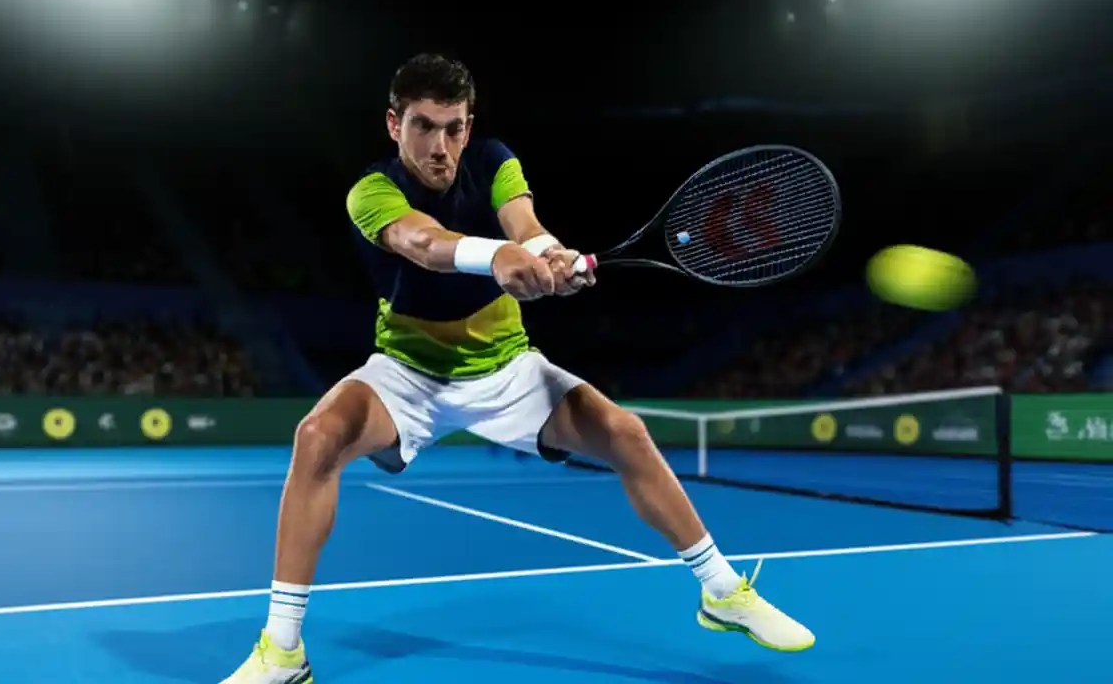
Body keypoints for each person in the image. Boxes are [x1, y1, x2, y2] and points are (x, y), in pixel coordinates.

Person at [221, 53, 814, 684]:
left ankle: (720, 591)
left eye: (453, 128)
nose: (440, 145)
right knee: (317, 437)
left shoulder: (494, 160)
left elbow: (524, 223)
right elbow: (423, 244)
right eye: (424, 125)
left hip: (508, 370)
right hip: (406, 371)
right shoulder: (372, 191)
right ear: (394, 125)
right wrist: (499, 257)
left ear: (469, 128)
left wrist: (547, 256)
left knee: (625, 433)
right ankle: (283, 652)